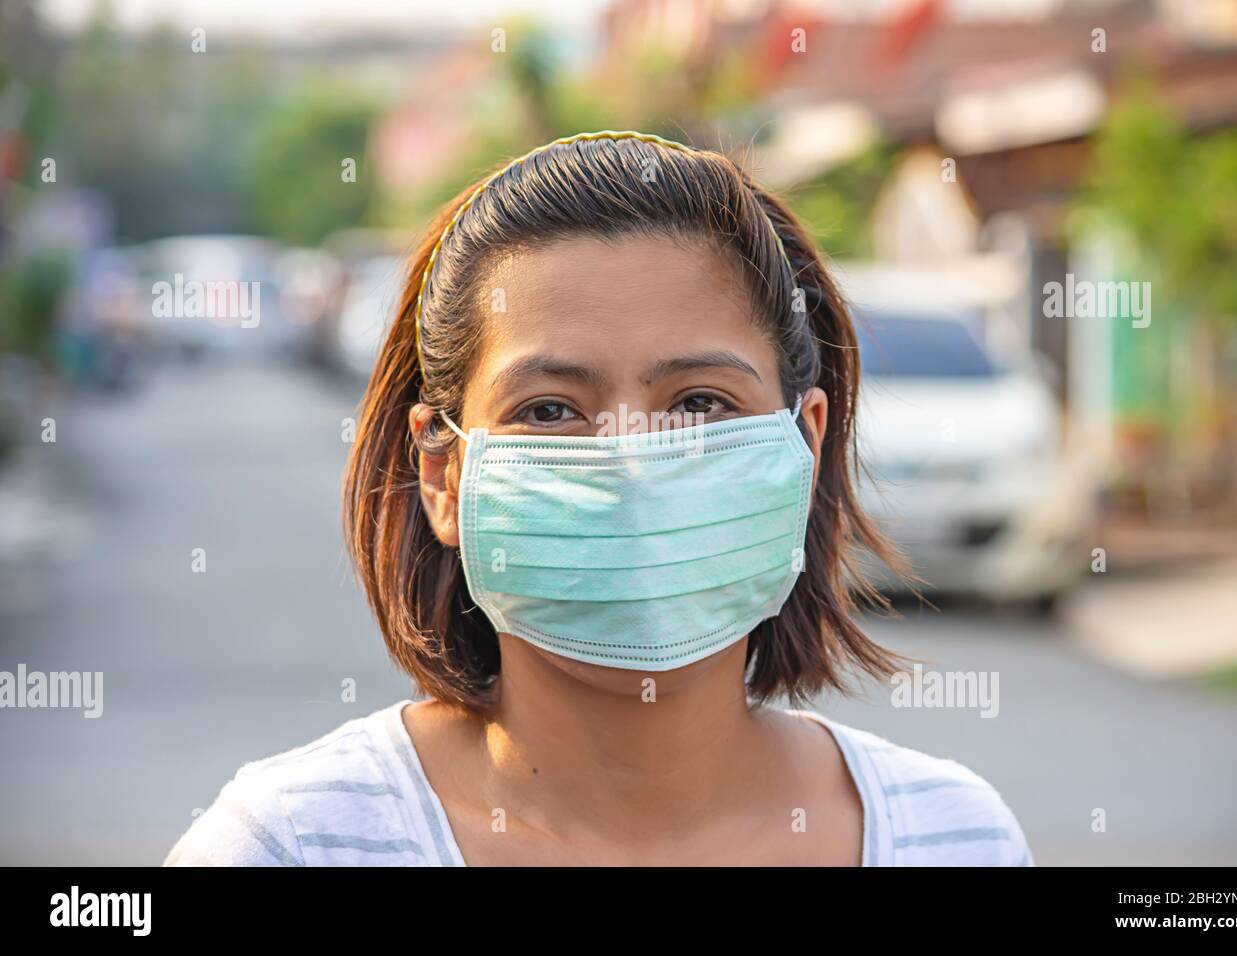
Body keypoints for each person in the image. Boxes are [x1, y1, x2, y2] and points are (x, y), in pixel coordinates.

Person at [164, 131, 1032, 867]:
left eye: (700, 403)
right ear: (444, 475)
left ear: (803, 446)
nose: (632, 468)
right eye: (549, 411)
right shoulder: (292, 846)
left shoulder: (954, 839)